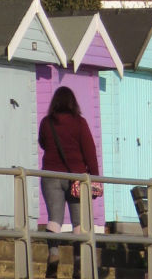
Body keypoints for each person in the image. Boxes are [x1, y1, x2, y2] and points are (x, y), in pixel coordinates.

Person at [38, 86, 100, 279]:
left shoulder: (46, 123)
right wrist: (95, 177)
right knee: (79, 224)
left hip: (51, 176)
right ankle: (78, 266)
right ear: (73, 102)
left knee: (54, 220)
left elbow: (42, 143)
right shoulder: (80, 123)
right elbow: (90, 152)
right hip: (76, 178)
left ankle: (54, 257)